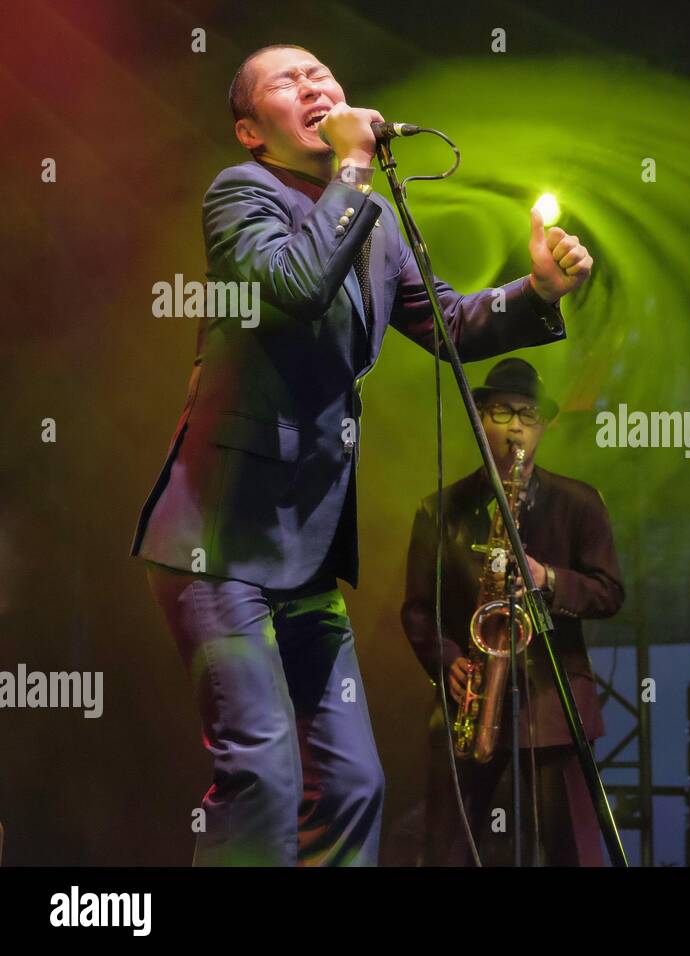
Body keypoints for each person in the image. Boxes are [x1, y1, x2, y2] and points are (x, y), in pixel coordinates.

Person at [130, 45, 593, 866]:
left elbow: (449, 324)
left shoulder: (371, 222)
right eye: (289, 80)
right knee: (262, 774)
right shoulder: (241, 194)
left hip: (306, 556)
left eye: (322, 75)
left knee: (351, 785)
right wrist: (351, 168)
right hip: (219, 543)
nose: (315, 85)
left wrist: (537, 294)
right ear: (251, 131)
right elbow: (295, 287)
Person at [401, 358, 623, 865]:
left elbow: (609, 592)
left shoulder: (580, 502)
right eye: (502, 412)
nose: (516, 427)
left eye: (529, 414)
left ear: (544, 425)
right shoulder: (439, 509)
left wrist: (548, 579)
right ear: (480, 418)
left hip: (554, 706)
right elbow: (418, 608)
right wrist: (447, 660)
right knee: (447, 852)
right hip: (471, 699)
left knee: (574, 852)